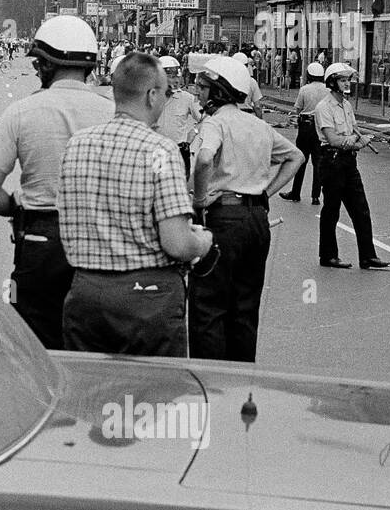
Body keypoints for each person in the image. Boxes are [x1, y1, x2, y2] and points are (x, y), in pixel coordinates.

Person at [57, 52, 213, 357]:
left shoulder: (78, 143)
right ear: (152, 95)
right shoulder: (160, 150)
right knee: (152, 401)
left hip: (84, 293)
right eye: (166, 92)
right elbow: (178, 243)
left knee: (92, 395)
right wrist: (203, 242)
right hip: (147, 299)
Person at [0, 15, 113, 350]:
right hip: (104, 243)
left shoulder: (22, 112)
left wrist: (19, 208)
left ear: (47, 65)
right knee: (93, 344)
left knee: (33, 342)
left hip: (39, 243)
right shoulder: (113, 112)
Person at [189, 56, 302, 362]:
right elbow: (296, 157)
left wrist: (199, 200)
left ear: (219, 91)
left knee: (209, 307)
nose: (198, 92)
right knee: (245, 307)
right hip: (257, 221)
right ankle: (239, 384)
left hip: (224, 220)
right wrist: (265, 192)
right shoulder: (258, 125)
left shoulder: (215, 123)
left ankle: (210, 385)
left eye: (203, 86)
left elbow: (203, 159)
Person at [315, 62, 390, 270]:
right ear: (332, 83)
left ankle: (368, 256)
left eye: (347, 79)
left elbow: (354, 130)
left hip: (349, 161)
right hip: (331, 161)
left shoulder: (347, 106)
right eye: (342, 80)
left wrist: (361, 139)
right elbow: (333, 139)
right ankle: (328, 255)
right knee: (332, 210)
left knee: (361, 209)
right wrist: (357, 142)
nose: (346, 83)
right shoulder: (324, 107)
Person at [280, 62, 329, 204]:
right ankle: (315, 196)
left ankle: (296, 193)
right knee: (318, 162)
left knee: (301, 160)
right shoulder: (327, 90)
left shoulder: (304, 89)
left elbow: (298, 109)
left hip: (306, 127)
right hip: (321, 126)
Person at [154, 55, 203, 177]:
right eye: (171, 77)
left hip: (180, 151)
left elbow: (204, 119)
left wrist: (194, 132)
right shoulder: (151, 98)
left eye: (178, 76)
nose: (176, 80)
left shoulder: (187, 98)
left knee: (180, 188)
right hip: (157, 151)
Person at [233, 52, 264, 117]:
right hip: (248, 115)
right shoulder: (252, 82)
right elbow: (257, 106)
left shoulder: (228, 81)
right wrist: (260, 121)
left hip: (232, 116)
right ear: (246, 66)